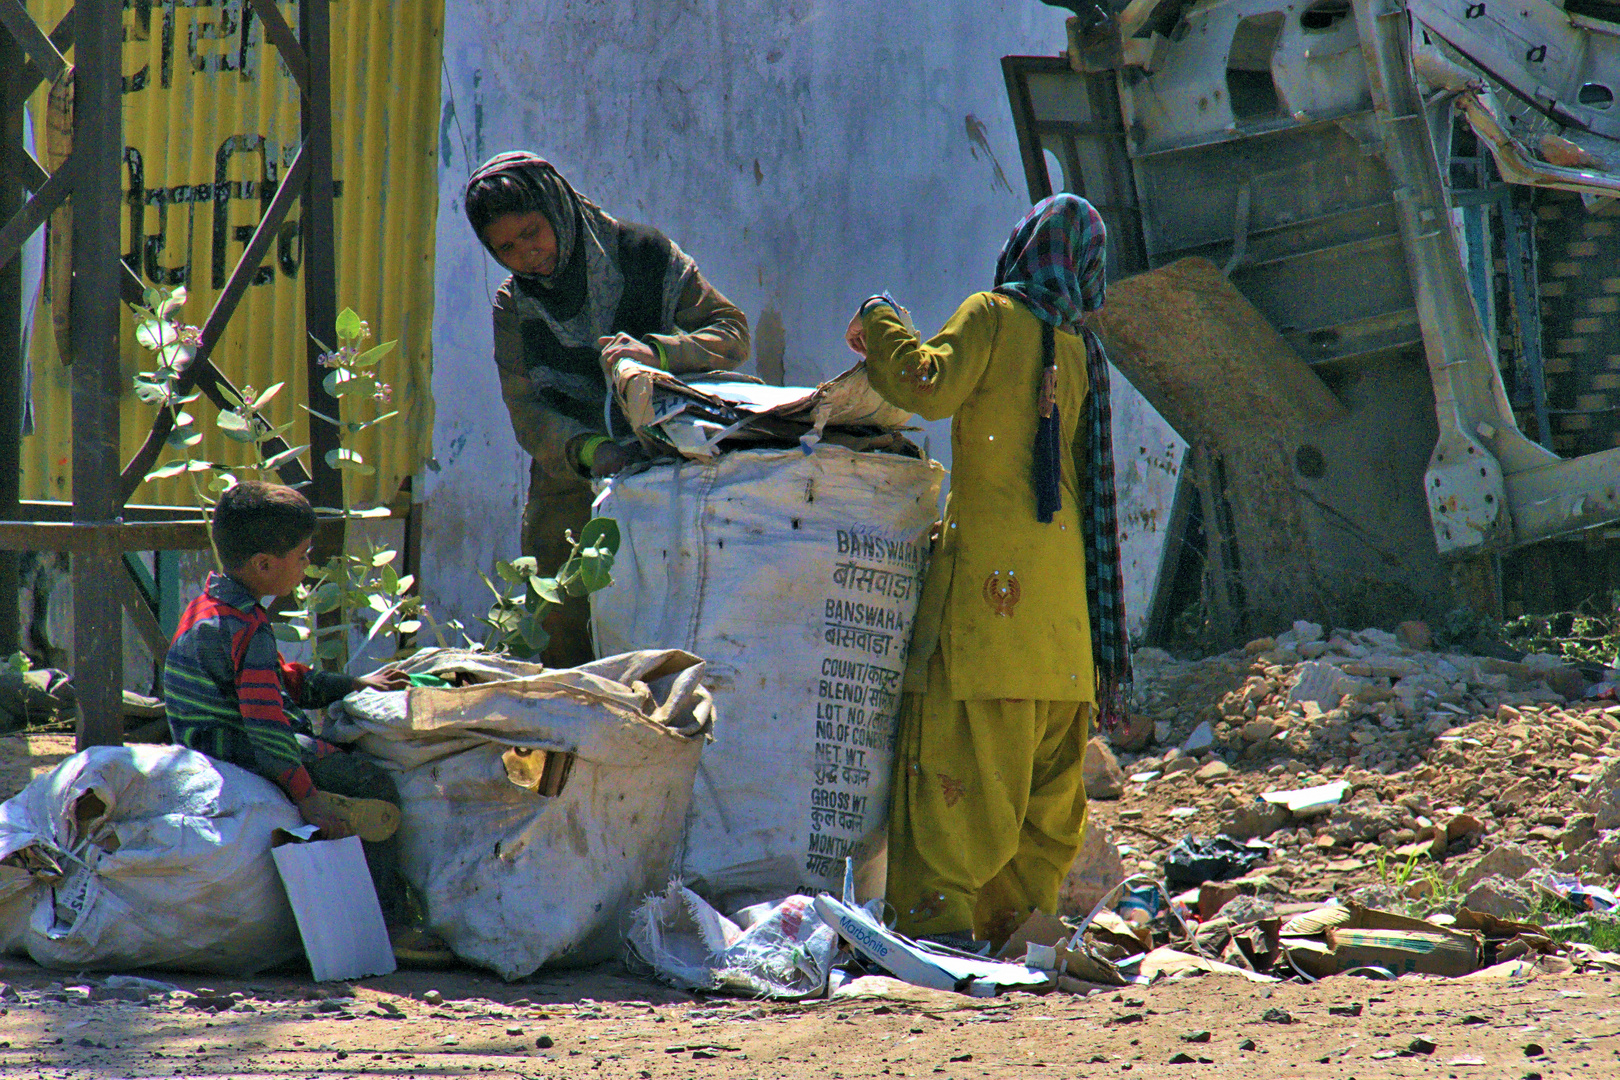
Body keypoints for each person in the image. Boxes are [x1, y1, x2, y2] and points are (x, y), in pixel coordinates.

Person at [846, 194, 1133, 949]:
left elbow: (924, 384)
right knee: (1043, 798)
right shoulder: (1082, 353)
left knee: (955, 780)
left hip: (987, 606)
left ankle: (937, 939)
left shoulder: (994, 314)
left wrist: (879, 317)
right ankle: (1015, 935)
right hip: (1065, 622)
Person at [463, 152, 751, 667]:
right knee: (560, 631)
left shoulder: (644, 255)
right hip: (569, 485)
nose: (528, 254)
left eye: (533, 232)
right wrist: (593, 451)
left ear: (558, 208)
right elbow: (527, 411)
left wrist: (657, 353)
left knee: (673, 628)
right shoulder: (514, 307)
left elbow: (731, 335)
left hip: (675, 473)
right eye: (506, 247)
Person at [163, 480, 447, 963]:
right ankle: (390, 920)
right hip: (236, 745)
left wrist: (353, 685)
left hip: (206, 737)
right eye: (301, 556)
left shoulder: (210, 605)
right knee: (373, 785)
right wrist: (309, 797)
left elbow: (280, 679)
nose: (305, 566)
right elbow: (268, 729)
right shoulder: (246, 628)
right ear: (265, 565)